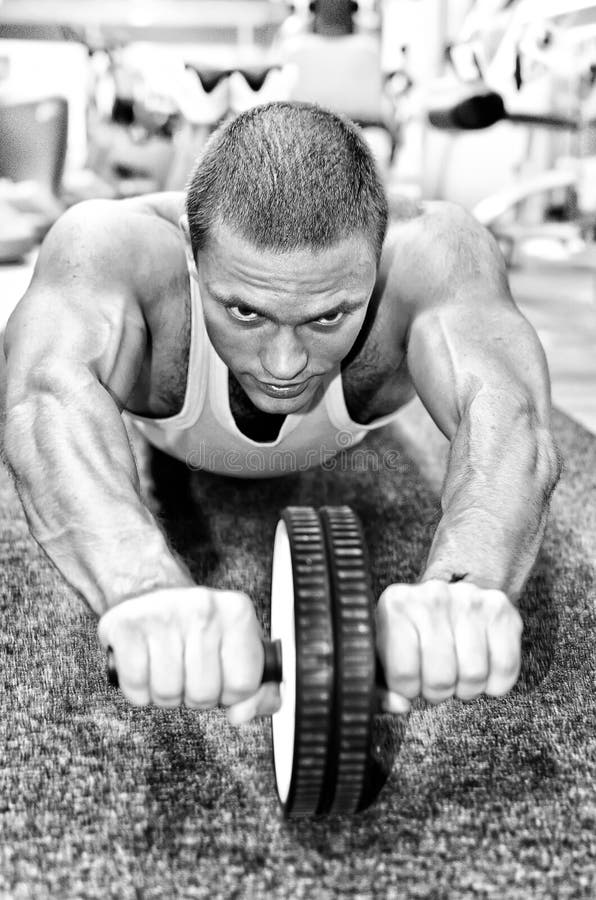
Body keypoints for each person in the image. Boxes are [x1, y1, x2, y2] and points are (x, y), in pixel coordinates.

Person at [2, 102, 560, 724]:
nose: (286, 362)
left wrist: (470, 585)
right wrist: (141, 587)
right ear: (192, 255)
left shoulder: (432, 252)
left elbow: (510, 417)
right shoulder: (111, 246)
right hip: (170, 443)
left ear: (377, 263)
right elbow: (44, 398)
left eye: (327, 316)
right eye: (245, 312)